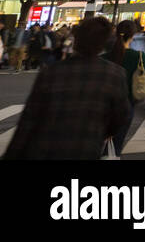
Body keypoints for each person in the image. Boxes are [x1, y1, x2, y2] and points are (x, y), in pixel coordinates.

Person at [3, 16, 129, 159]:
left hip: (45, 148)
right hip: (86, 147)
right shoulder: (114, 74)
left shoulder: (52, 72)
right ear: (104, 43)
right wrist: (103, 131)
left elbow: (29, 119)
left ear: (77, 39)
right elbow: (121, 116)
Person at [104, 20, 145, 156]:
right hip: (126, 105)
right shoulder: (138, 56)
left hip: (103, 105)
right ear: (133, 35)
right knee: (115, 146)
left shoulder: (104, 57)